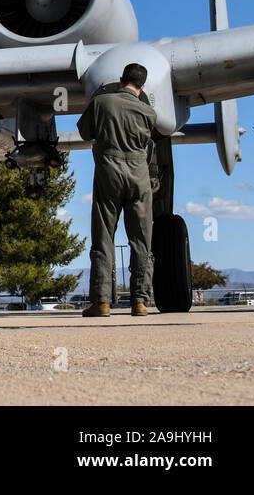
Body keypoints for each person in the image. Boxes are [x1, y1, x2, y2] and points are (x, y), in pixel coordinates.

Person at [76, 63, 160, 317]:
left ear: (121, 79)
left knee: (104, 238)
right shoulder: (149, 112)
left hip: (108, 173)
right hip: (139, 175)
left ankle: (101, 302)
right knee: (141, 240)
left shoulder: (101, 103)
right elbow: (149, 141)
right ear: (142, 86)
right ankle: (140, 301)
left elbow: (84, 132)